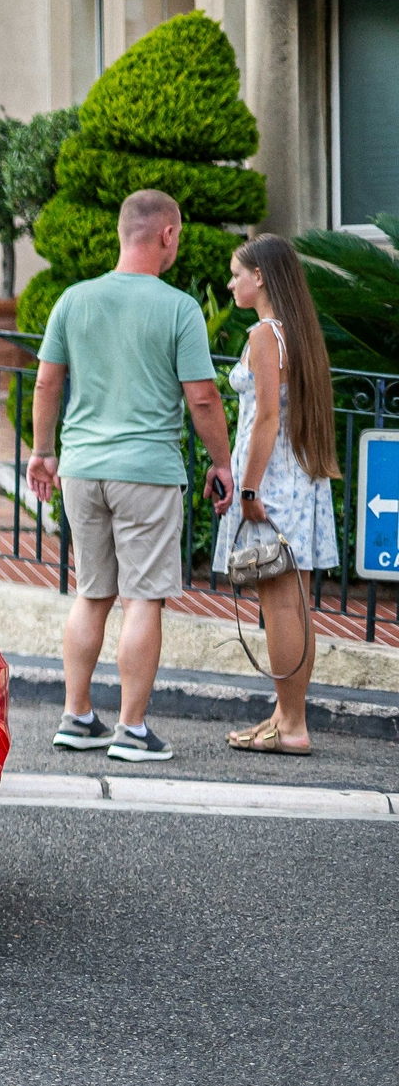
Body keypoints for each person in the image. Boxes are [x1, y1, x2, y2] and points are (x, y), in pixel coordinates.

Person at [25, 189, 235, 765]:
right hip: (146, 471)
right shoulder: (177, 308)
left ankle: (76, 716)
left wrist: (44, 451)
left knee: (91, 593)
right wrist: (222, 461)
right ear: (166, 235)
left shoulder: (73, 300)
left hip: (82, 469)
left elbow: (46, 384)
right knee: (144, 598)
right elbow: (203, 397)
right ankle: (132, 729)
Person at [216, 234, 342, 755]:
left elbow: (265, 416)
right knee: (297, 605)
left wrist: (247, 488)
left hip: (272, 484)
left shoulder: (265, 334)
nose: (231, 283)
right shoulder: (298, 333)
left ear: (260, 277)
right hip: (300, 479)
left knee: (280, 607)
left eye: (236, 273)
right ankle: (286, 716)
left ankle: (291, 726)